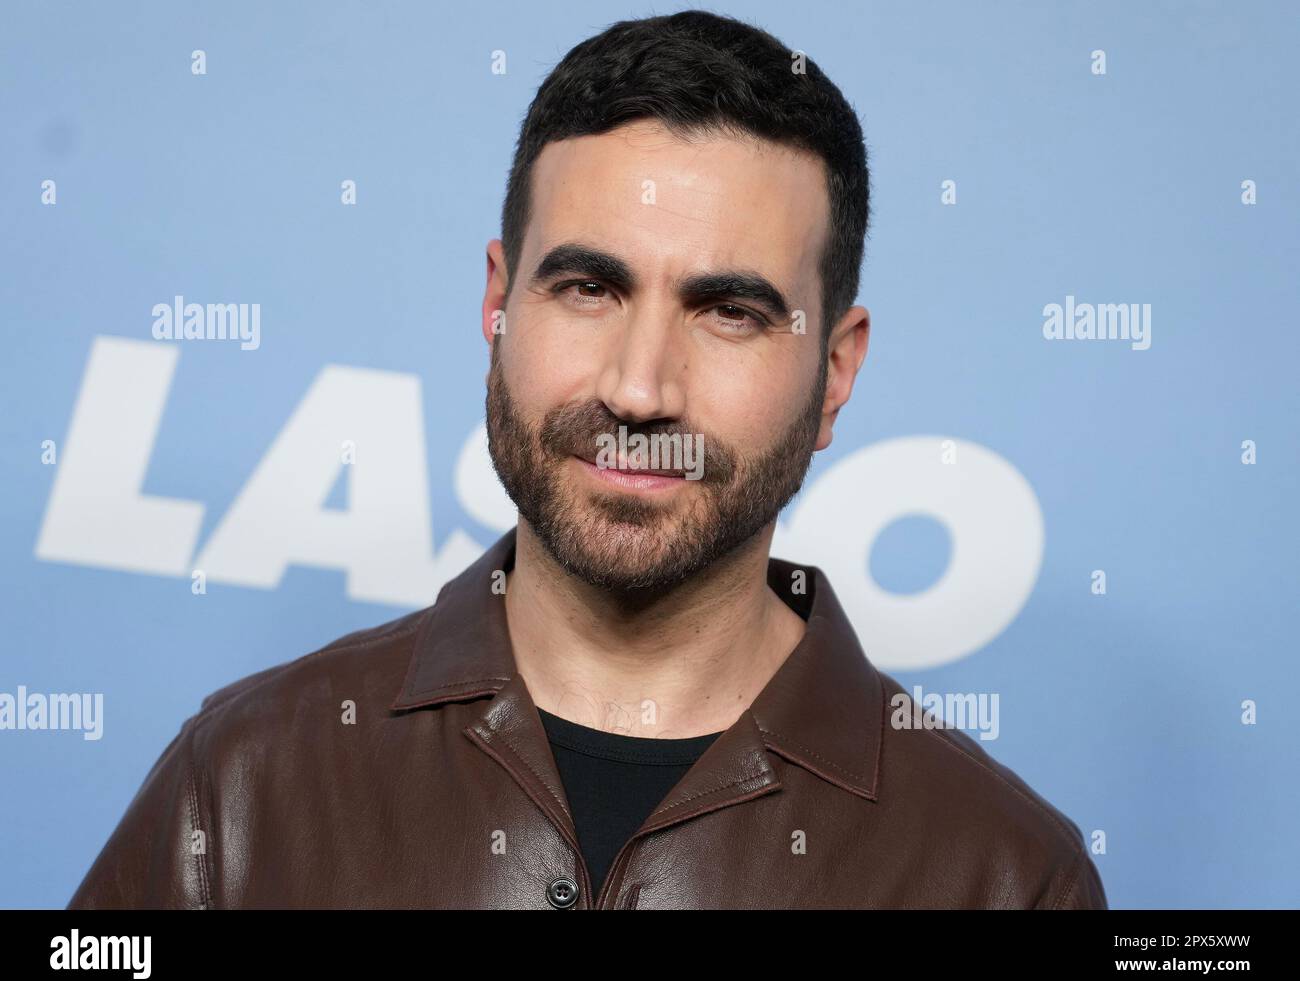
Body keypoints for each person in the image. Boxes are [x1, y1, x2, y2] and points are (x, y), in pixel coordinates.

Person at [69, 9, 1106, 909]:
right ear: (496, 302)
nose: (639, 387)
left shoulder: (1006, 876)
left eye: (730, 311)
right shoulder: (243, 784)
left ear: (834, 372)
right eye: (587, 289)